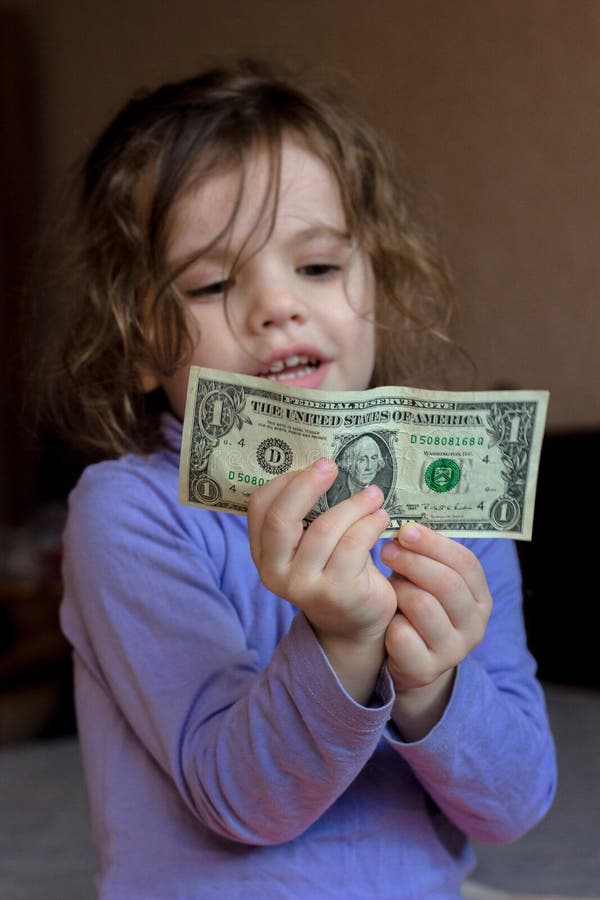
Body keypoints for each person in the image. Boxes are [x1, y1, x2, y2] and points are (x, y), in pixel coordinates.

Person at [39, 59, 556, 899]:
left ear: (375, 289)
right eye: (210, 283)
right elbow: (242, 802)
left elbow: (514, 808)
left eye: (316, 268)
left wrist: (432, 683)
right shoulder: (127, 515)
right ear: (138, 343)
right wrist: (344, 639)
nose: (276, 304)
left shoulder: (455, 503)